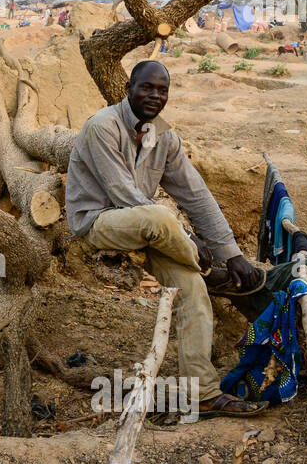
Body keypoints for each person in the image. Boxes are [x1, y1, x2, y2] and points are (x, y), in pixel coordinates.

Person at [64, 61, 268, 419]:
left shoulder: (163, 135)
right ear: (128, 88)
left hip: (149, 230)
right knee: (160, 216)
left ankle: (202, 393)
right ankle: (208, 270)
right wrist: (187, 237)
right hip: (99, 221)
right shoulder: (103, 126)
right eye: (146, 87)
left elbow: (196, 195)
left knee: (193, 292)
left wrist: (232, 254)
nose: (154, 96)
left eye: (162, 90)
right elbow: (122, 193)